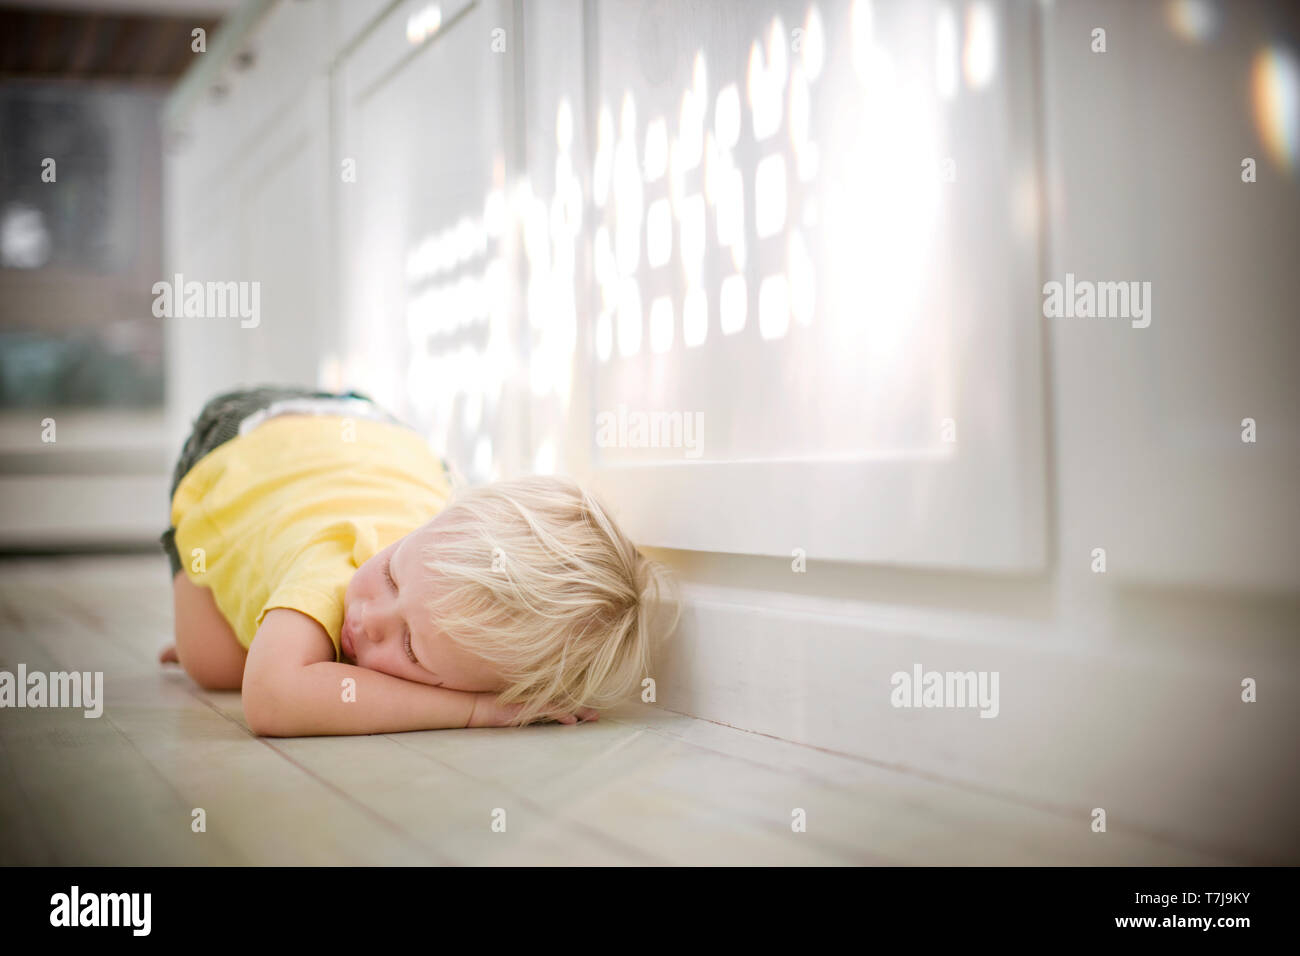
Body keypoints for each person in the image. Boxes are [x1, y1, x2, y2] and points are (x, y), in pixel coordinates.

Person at [157, 385, 678, 736]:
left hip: (380, 435)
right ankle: (239, 593)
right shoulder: (336, 561)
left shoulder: (427, 560)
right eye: (388, 574)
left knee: (298, 654)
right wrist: (476, 711)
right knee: (218, 663)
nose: (366, 617)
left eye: (409, 645)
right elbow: (270, 697)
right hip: (235, 442)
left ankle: (284, 623)